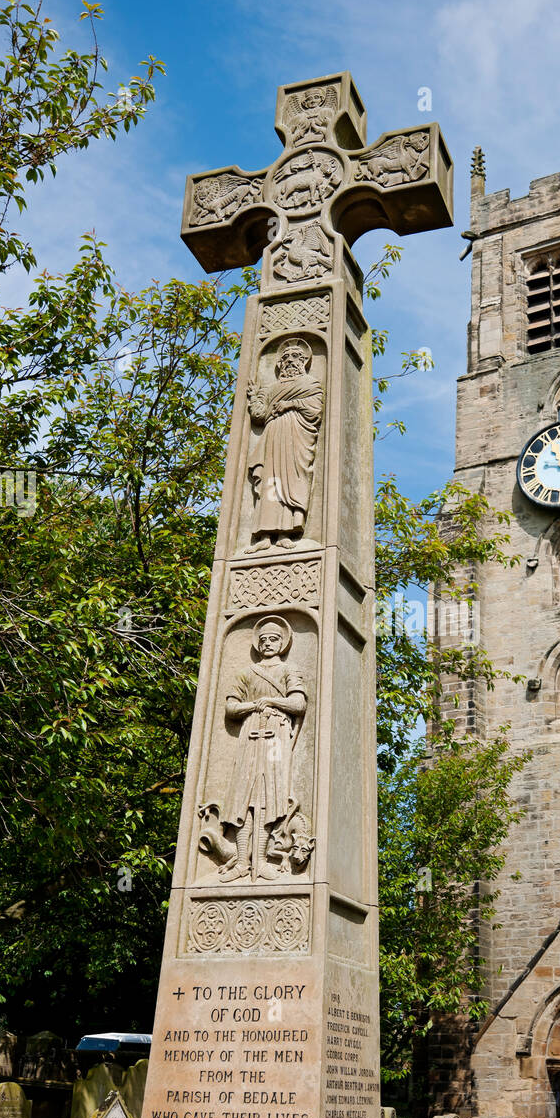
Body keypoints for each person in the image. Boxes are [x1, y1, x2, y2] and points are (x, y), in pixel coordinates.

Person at [218, 616, 306, 882]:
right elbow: (231, 708)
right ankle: (242, 861)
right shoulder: (246, 673)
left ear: (282, 643)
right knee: (243, 795)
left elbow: (298, 704)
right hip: (250, 735)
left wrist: (271, 701)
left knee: (270, 795)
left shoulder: (289, 671)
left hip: (276, 737)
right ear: (257, 644)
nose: (268, 643)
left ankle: (262, 860)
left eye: (273, 639)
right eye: (263, 640)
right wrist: (253, 706)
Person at [246, 337, 323, 551]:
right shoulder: (271, 389)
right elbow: (259, 415)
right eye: (286, 357)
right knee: (272, 483)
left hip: (296, 439)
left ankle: (285, 532)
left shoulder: (310, 384)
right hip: (273, 438)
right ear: (280, 363)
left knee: (291, 482)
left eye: (296, 357)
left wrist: (291, 404)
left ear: (304, 361)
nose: (290, 360)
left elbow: (315, 409)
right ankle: (264, 537)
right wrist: (255, 398)